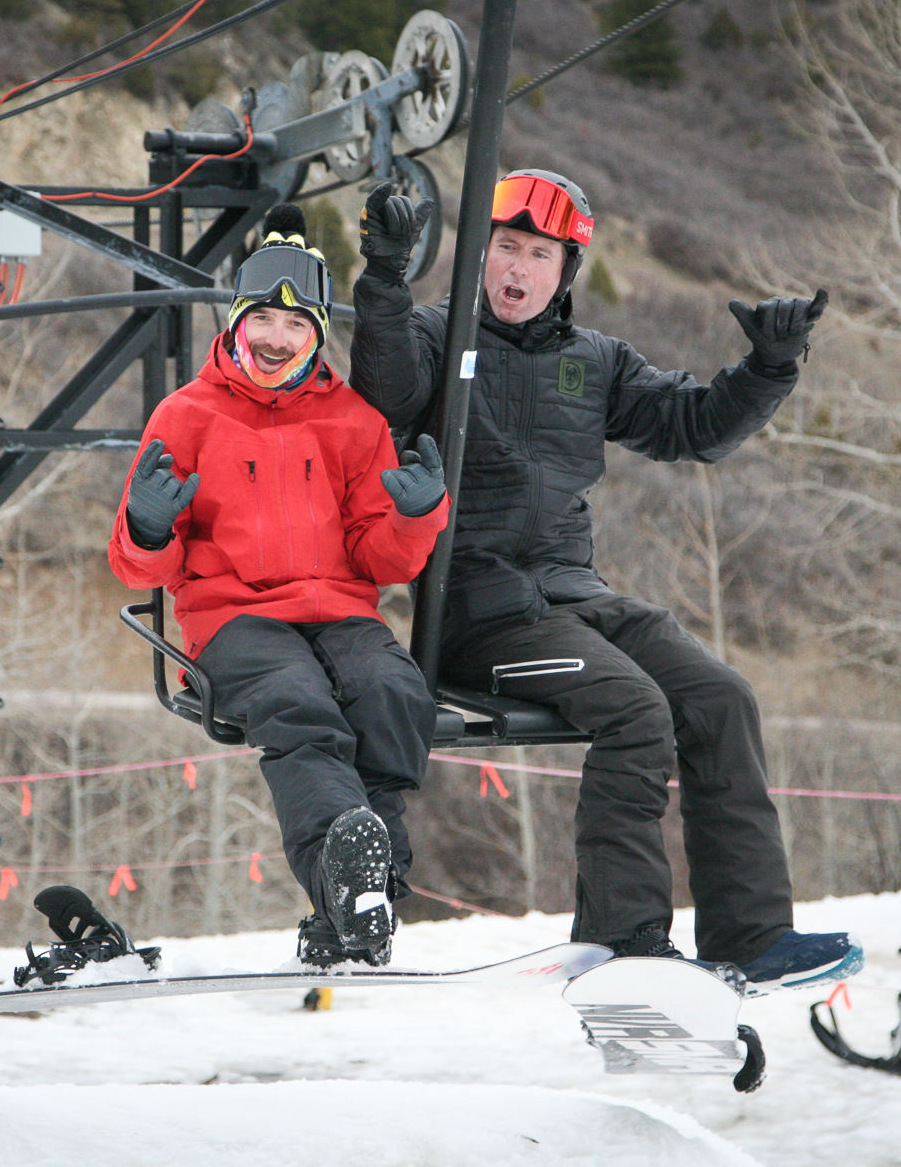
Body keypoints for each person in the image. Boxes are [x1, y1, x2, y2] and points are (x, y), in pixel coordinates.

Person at [349, 169, 860, 992]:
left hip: (574, 596)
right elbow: (381, 391)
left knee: (722, 697)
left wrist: (768, 367)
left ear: (566, 271)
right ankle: (622, 942)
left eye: (537, 255)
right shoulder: (436, 337)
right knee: (635, 711)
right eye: (504, 248)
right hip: (478, 615)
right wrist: (381, 281)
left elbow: (693, 427)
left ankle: (752, 936)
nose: (516, 269)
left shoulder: (596, 362)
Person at [109, 205, 449, 967]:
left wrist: (420, 517)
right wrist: (151, 526)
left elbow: (382, 557)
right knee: (300, 708)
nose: (275, 340)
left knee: (391, 691)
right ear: (235, 324)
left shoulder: (353, 420)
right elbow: (136, 567)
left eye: (295, 328)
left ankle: (357, 904)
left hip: (337, 608)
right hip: (235, 618)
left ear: (317, 336)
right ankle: (358, 894)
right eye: (262, 319)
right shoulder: (186, 415)